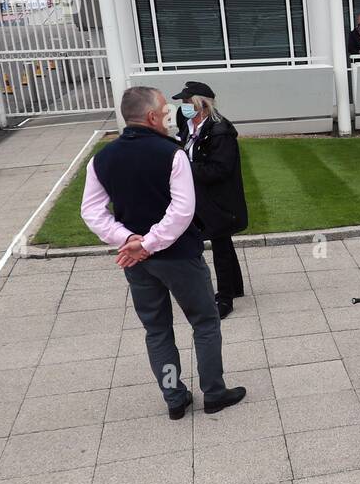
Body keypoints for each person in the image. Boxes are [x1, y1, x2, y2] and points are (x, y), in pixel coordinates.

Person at [81, 86, 245, 420]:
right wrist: (146, 242)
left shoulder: (103, 158)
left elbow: (92, 213)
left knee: (157, 330)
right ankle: (213, 392)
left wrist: (130, 240)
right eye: (164, 110)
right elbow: (183, 210)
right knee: (205, 322)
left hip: (138, 262)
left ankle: (174, 395)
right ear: (152, 116)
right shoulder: (172, 153)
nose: (171, 114)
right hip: (178, 256)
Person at [172, 81, 247, 319]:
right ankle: (234, 287)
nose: (183, 106)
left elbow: (220, 169)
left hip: (218, 198)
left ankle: (225, 299)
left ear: (200, 104)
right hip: (198, 194)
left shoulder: (220, 131)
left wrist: (184, 168)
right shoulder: (187, 122)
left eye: (186, 102)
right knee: (222, 241)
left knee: (220, 245)